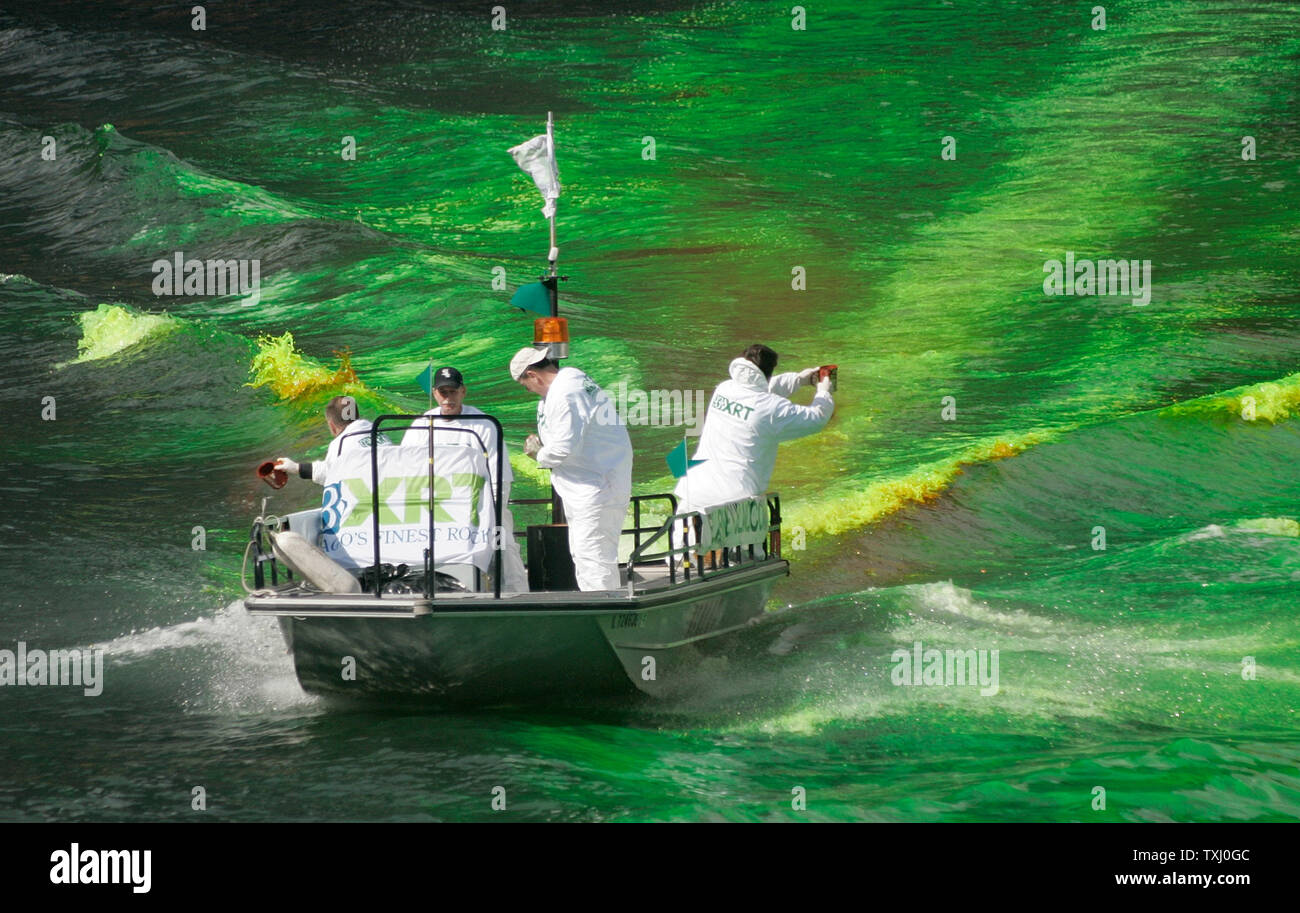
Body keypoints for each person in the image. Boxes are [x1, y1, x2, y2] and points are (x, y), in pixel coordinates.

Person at [510, 346, 633, 591]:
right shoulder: (572, 380)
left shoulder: (565, 393)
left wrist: (538, 454)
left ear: (533, 375)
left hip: (595, 486)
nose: (530, 391)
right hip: (594, 482)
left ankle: (603, 612)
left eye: (526, 386)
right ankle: (606, 606)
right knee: (593, 555)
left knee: (592, 557)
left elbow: (564, 446)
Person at [401, 366, 529, 593]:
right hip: (435, 505)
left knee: (503, 543)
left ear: (463, 392)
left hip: (481, 504)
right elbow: (404, 470)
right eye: (442, 392)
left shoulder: (484, 424)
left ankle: (517, 592)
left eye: (452, 391)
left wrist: (492, 512)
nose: (447, 398)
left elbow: (499, 475)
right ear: (434, 393)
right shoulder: (421, 425)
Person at [675, 344, 834, 514]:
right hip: (734, 504)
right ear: (768, 372)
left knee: (684, 540)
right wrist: (824, 392)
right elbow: (817, 417)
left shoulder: (724, 389)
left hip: (694, 490)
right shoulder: (772, 409)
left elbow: (756, 391)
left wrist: (799, 379)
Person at [274, 395, 387, 485]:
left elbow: (329, 475)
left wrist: (296, 468)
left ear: (332, 425)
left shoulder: (340, 444)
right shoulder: (378, 432)